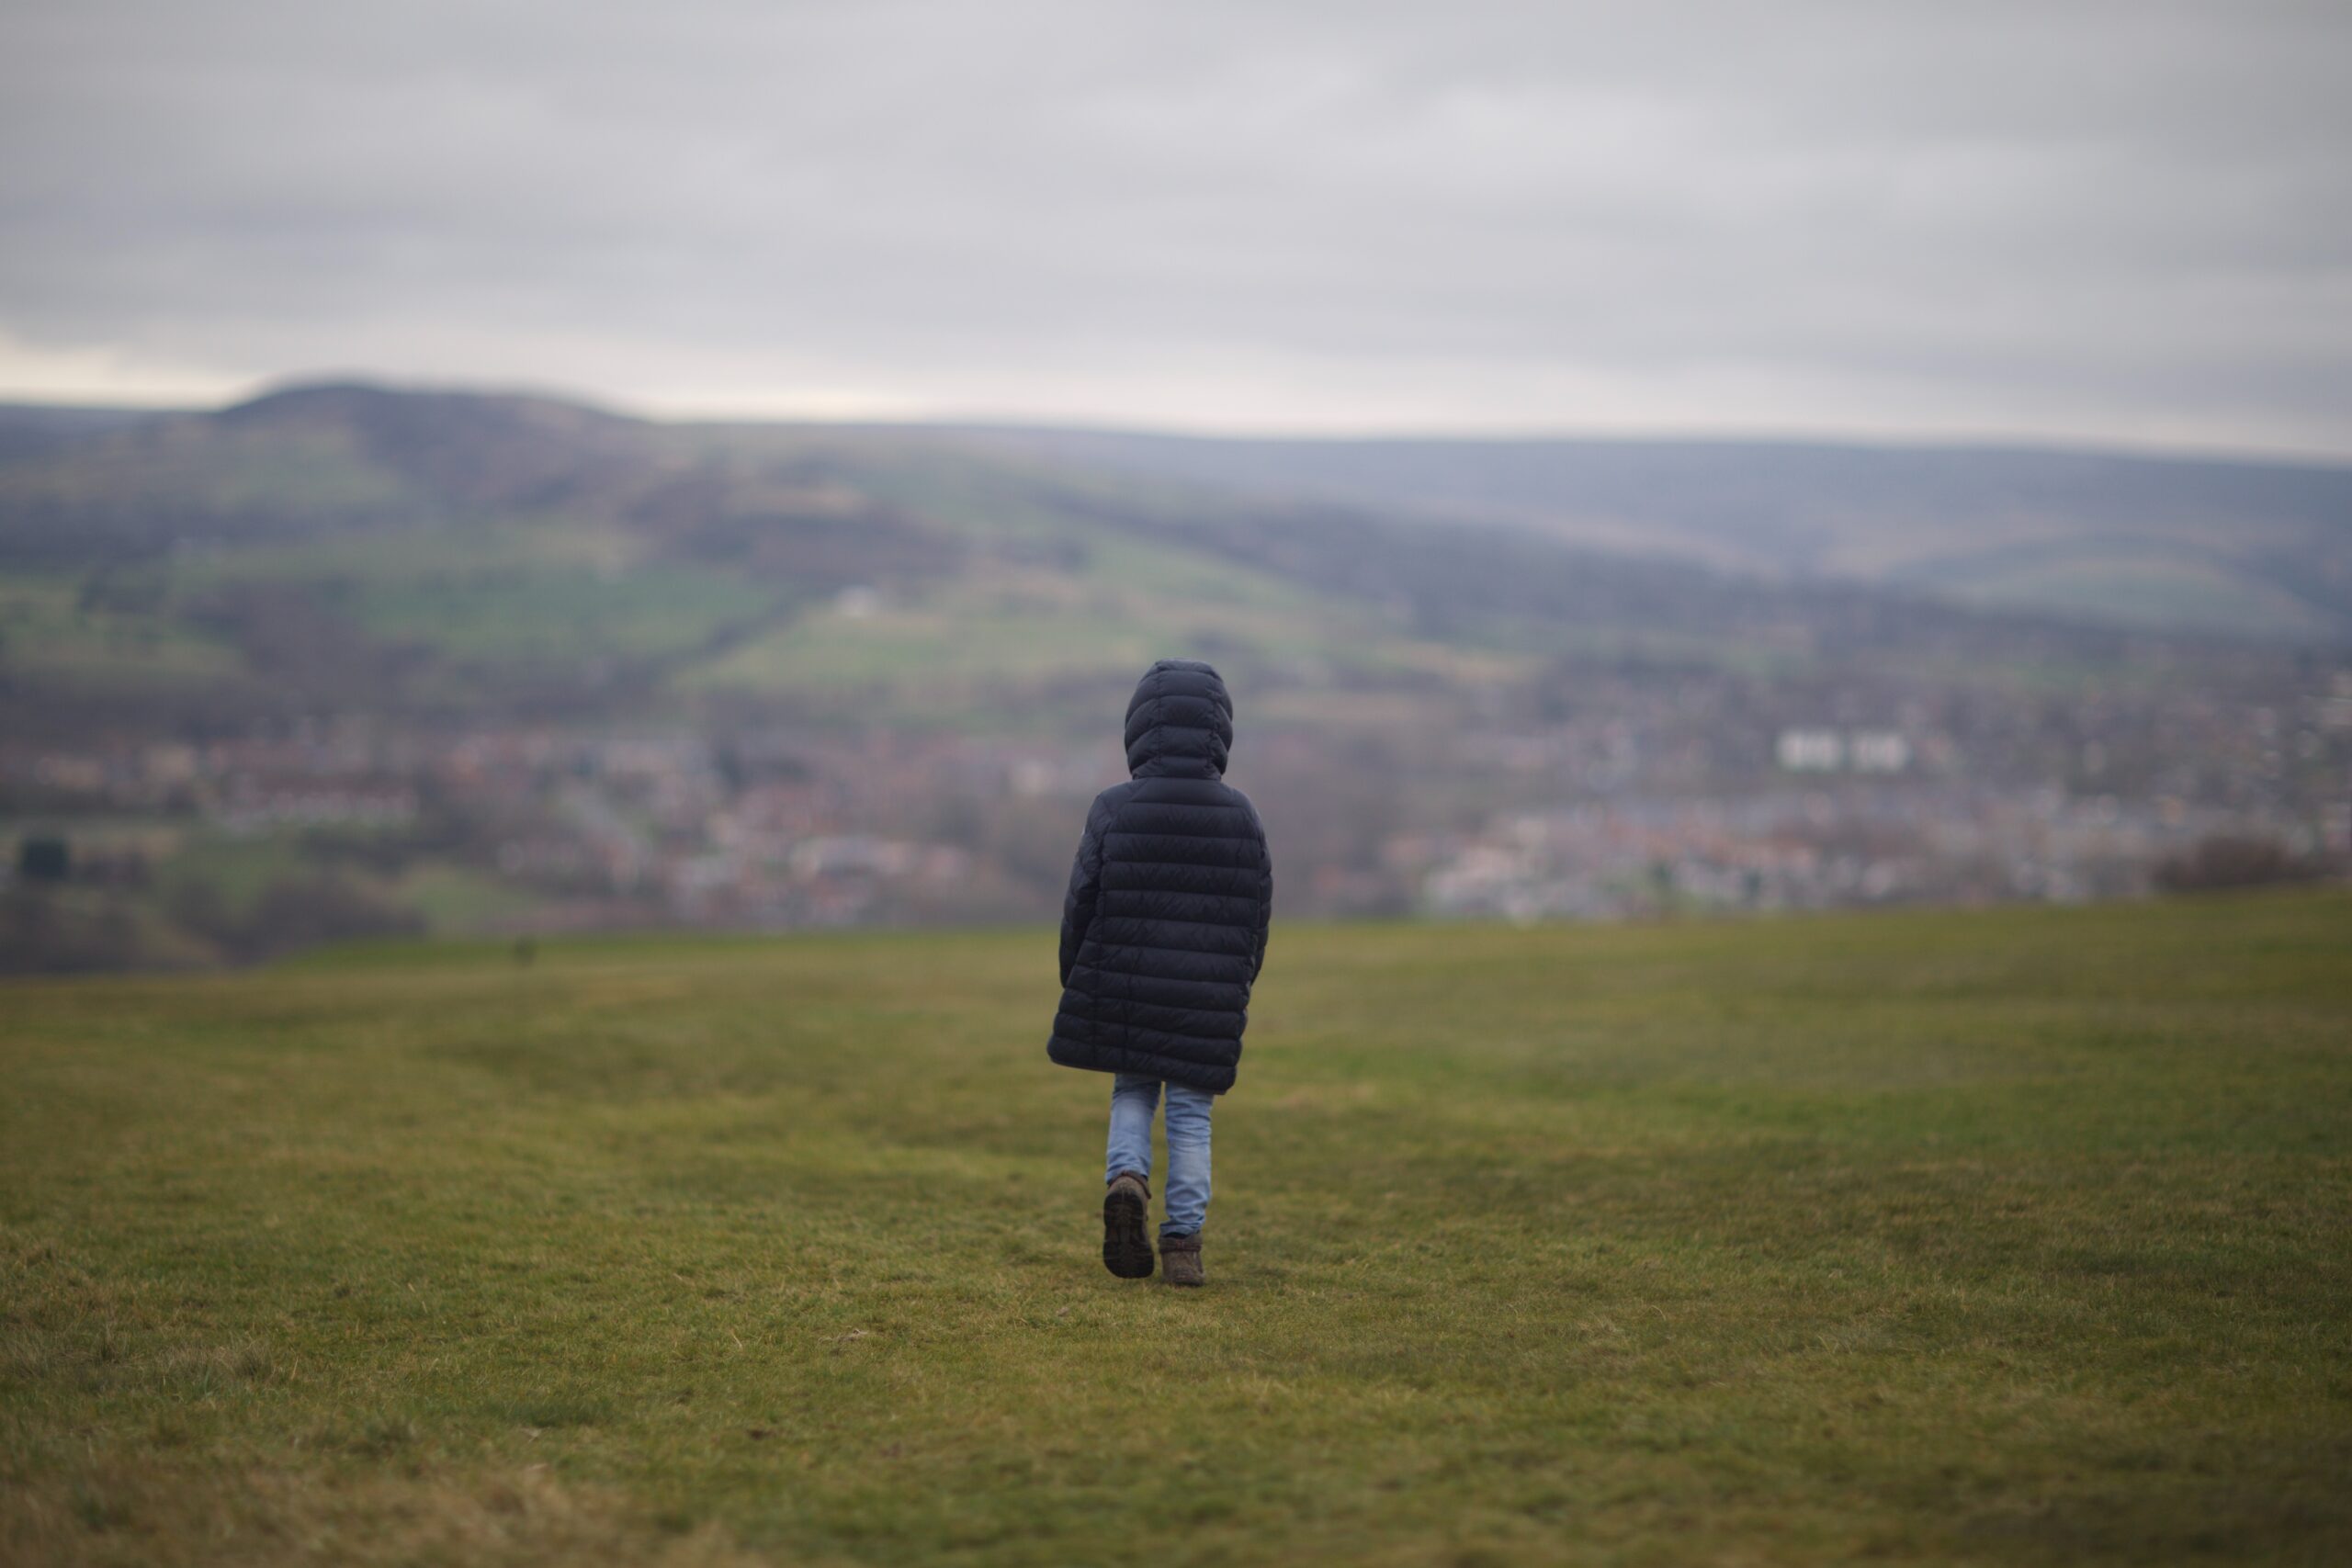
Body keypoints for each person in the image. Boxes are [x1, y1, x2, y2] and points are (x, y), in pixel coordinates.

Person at [1046, 660, 1272, 1287]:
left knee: (1133, 1091)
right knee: (1192, 1115)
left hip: (1125, 984)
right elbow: (1258, 912)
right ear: (1219, 730)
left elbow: (1080, 899)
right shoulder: (1242, 814)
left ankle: (1126, 1179)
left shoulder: (1113, 807)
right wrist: (1238, 981)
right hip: (1207, 994)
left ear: (1139, 726)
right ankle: (1182, 1245)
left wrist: (1077, 975)